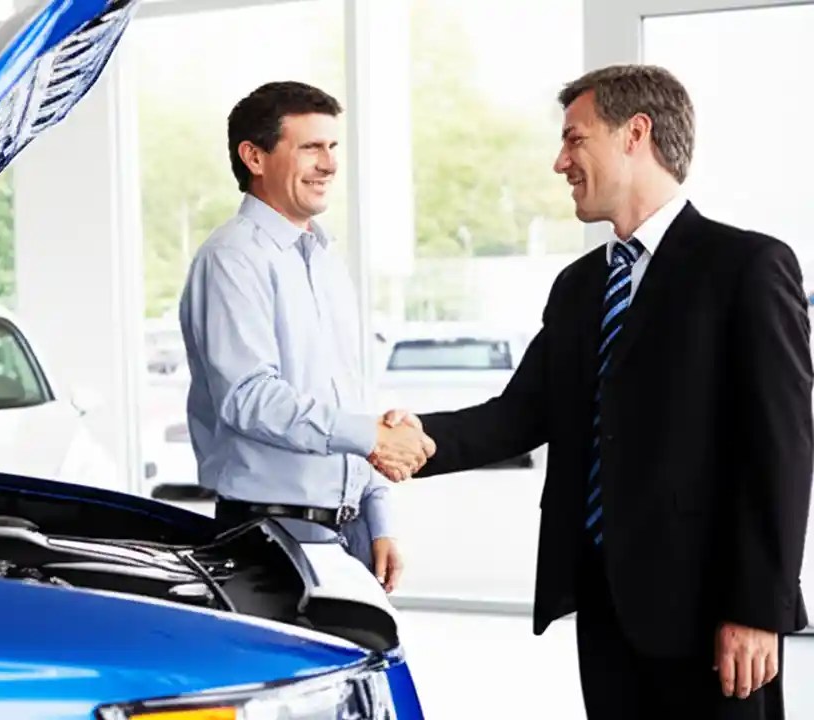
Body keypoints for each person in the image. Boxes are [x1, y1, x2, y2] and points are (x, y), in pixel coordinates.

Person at [384, 64, 812, 718]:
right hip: (608, 613)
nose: (560, 162)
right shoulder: (581, 286)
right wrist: (409, 440)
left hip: (714, 620)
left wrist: (758, 610)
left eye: (574, 139)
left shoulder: (746, 267)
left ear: (635, 133)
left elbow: (780, 451)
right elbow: (519, 414)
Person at [178, 81, 434, 592]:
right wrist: (372, 437)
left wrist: (376, 513)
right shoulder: (232, 258)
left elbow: (351, 398)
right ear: (253, 156)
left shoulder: (322, 257)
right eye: (311, 147)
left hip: (346, 529)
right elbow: (249, 397)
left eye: (333, 147)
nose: (330, 164)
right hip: (268, 535)